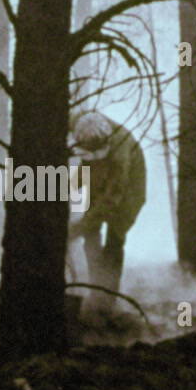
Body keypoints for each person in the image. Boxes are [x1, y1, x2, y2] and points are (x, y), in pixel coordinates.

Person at [67, 111, 146, 307]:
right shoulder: (76, 121)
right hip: (96, 169)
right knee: (91, 235)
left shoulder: (121, 155)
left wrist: (77, 229)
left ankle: (106, 296)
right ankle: (95, 285)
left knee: (115, 237)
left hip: (129, 188)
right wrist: (63, 189)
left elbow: (111, 200)